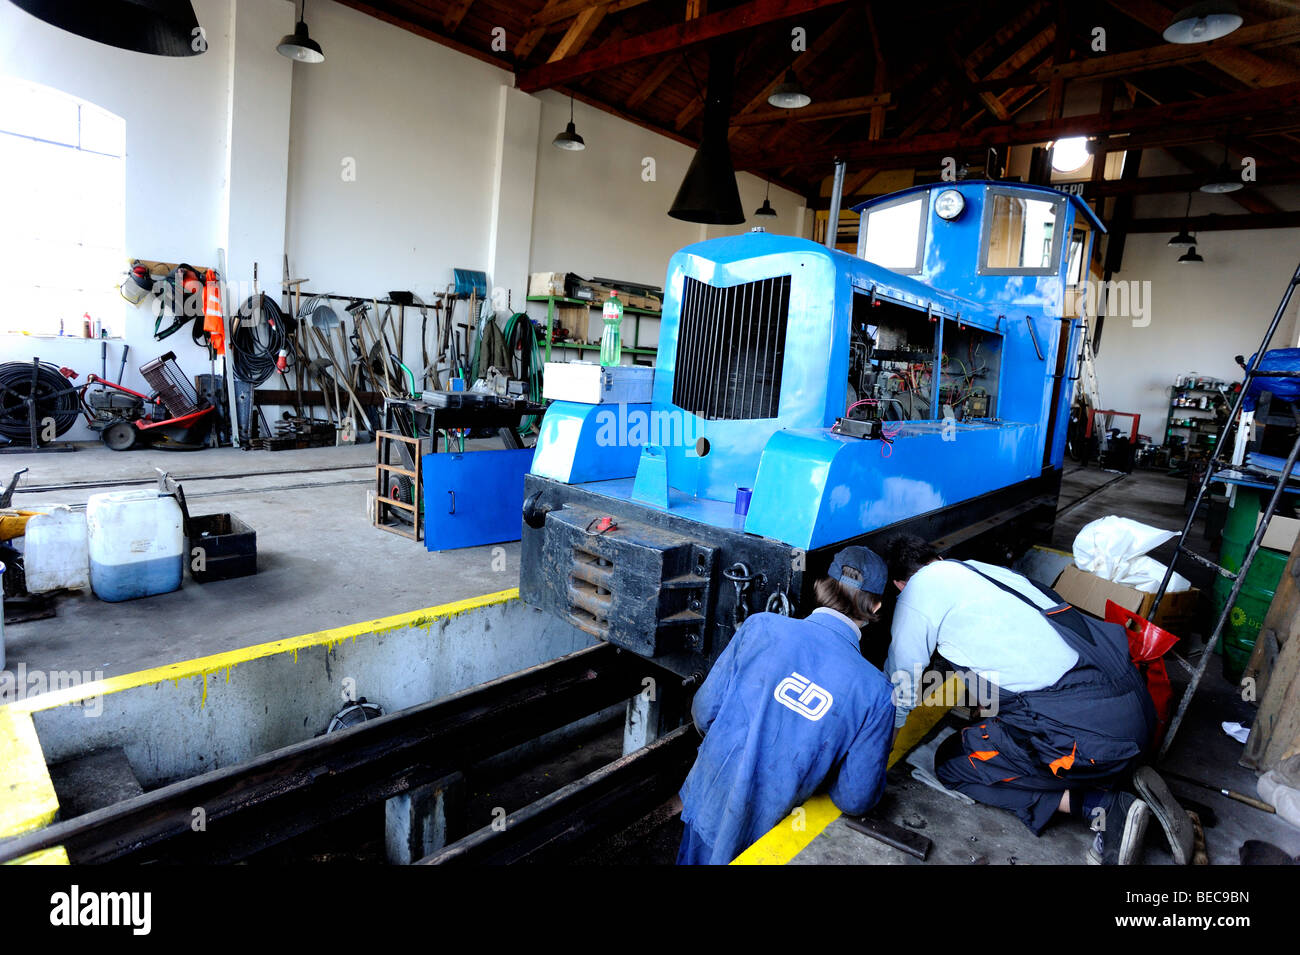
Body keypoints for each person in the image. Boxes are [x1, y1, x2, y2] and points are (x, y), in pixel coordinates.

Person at [882, 535, 1190, 865]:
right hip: (1136, 707)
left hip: (1089, 734)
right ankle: (1121, 774)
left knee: (952, 762)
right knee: (1012, 720)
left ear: (901, 584)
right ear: (937, 556)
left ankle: (1105, 806)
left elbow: (901, 688)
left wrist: (881, 756)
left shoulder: (916, 594)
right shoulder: (981, 571)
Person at [676, 546, 897, 865]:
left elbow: (705, 712)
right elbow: (856, 797)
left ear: (822, 586)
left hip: (710, 803)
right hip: (775, 835)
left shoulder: (759, 626)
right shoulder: (877, 691)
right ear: (875, 605)